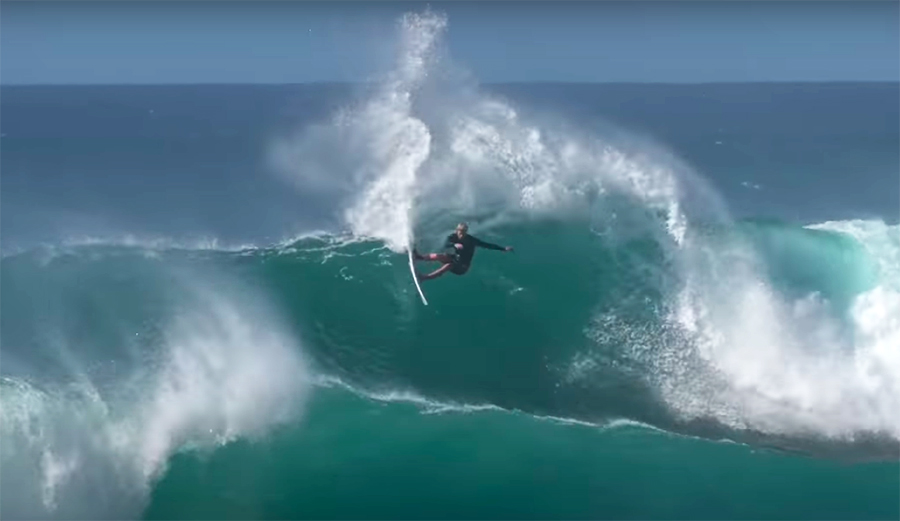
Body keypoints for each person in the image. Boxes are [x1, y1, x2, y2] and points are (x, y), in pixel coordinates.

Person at [412, 222, 513, 281]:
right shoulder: (453, 237)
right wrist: (454, 245)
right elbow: (445, 245)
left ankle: (425, 277)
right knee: (441, 256)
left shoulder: (471, 240)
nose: (462, 235)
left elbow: (487, 245)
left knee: (449, 265)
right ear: (457, 231)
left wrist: (503, 249)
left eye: (464, 233)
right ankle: (419, 257)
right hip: (455, 259)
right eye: (460, 232)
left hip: (462, 268)